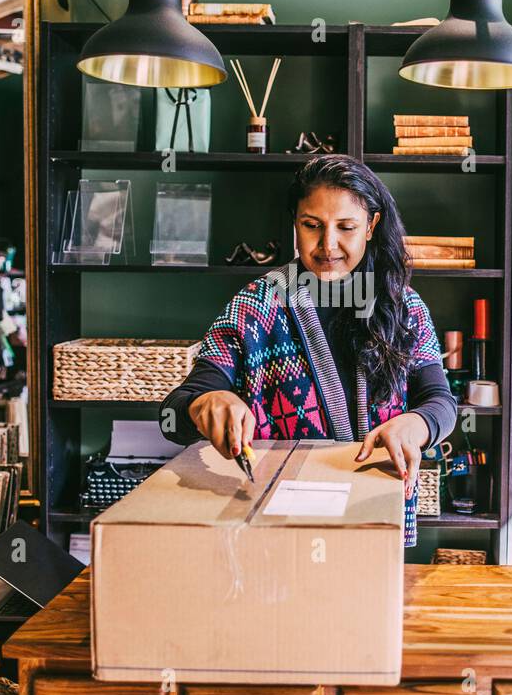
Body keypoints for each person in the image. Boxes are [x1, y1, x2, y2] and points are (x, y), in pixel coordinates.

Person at [161, 154, 458, 546]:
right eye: (311, 226)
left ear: (371, 226)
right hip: (277, 525)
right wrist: (205, 404)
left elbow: (441, 403)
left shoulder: (404, 306)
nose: (327, 245)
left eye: (346, 227)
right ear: (294, 224)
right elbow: (170, 416)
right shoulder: (257, 304)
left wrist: (417, 424)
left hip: (375, 518)